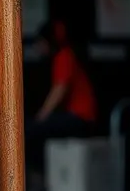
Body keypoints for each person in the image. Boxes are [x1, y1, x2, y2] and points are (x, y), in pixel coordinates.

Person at [26, 19, 97, 171]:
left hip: (80, 118)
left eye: (41, 42)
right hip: (77, 117)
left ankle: (41, 178)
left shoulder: (64, 56)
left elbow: (59, 90)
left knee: (30, 132)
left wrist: (42, 116)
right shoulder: (64, 56)